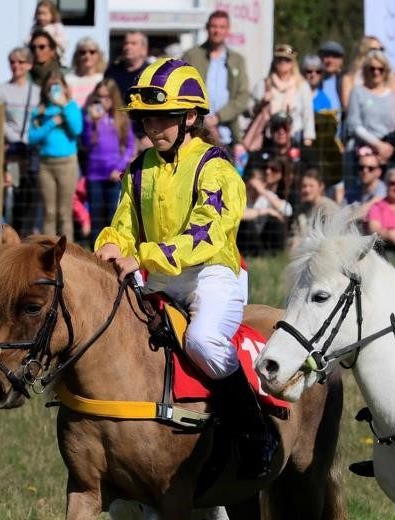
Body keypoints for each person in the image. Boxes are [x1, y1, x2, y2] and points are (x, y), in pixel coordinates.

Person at [94, 59, 275, 478]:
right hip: (157, 276)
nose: (152, 127)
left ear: (190, 117)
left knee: (202, 339)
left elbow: (204, 235)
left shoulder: (217, 169)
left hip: (212, 275)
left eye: (163, 118)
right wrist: (106, 248)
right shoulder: (138, 170)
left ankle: (254, 428)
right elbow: (122, 228)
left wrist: (141, 257)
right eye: (145, 119)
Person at [182, 10, 250, 147]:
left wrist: (218, 117)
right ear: (207, 28)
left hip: (228, 131)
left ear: (227, 30)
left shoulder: (237, 60)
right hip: (196, 128)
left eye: (222, 27)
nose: (217, 31)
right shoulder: (191, 56)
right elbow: (182, 90)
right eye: (214, 26)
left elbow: (243, 97)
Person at [29, 71, 82, 241]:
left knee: (64, 212)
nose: (55, 90)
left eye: (58, 86)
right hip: (46, 165)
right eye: (51, 87)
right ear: (45, 90)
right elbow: (32, 138)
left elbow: (77, 129)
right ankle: (48, 250)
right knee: (49, 212)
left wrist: (64, 106)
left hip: (67, 164)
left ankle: (69, 254)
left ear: (66, 88)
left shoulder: (71, 106)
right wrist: (52, 122)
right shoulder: (40, 111)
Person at [0, 47, 40, 236]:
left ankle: (30, 234)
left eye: (21, 62)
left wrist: (31, 138)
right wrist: (18, 139)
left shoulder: (37, 91)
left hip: (34, 149)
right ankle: (14, 233)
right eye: (13, 62)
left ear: (29, 65)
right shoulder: (1, 91)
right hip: (13, 151)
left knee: (33, 192)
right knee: (15, 191)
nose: (16, 66)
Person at [81, 78, 135, 238]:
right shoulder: (90, 119)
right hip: (94, 174)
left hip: (113, 173)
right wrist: (92, 124)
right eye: (99, 97)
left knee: (112, 214)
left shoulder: (121, 119)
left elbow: (130, 146)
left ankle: (113, 247)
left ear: (113, 98)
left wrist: (119, 168)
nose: (103, 102)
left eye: (106, 97)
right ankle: (95, 251)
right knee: (96, 215)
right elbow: (86, 143)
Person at [344, 50, 395, 168]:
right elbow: (353, 125)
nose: (376, 72)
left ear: (386, 71)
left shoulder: (394, 95)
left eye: (380, 69)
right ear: (366, 70)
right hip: (362, 156)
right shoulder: (358, 92)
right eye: (372, 68)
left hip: (390, 156)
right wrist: (377, 145)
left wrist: (387, 149)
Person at [251, 45, 315, 147]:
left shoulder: (302, 86)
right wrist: (262, 103)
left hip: (294, 137)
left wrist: (308, 138)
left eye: (287, 60)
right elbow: (251, 112)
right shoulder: (263, 84)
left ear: (293, 63)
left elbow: (308, 113)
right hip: (269, 138)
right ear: (274, 61)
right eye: (279, 59)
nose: (282, 62)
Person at [290, 168, 339, 250]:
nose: (307, 190)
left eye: (311, 186)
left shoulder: (328, 208)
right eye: (304, 186)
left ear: (321, 187)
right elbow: (296, 234)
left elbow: (330, 238)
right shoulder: (302, 209)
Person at [104, 32, 150, 98]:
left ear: (144, 49)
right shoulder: (112, 71)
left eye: (133, 43)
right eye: (126, 43)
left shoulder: (150, 73)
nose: (128, 47)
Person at [66, 37, 106, 108]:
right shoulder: (68, 80)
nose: (87, 56)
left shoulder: (103, 79)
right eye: (82, 52)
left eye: (92, 52)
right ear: (77, 56)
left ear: (98, 55)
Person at [317, 40, 345, 116]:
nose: (330, 60)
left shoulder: (345, 82)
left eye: (335, 57)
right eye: (326, 56)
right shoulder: (312, 81)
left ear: (341, 61)